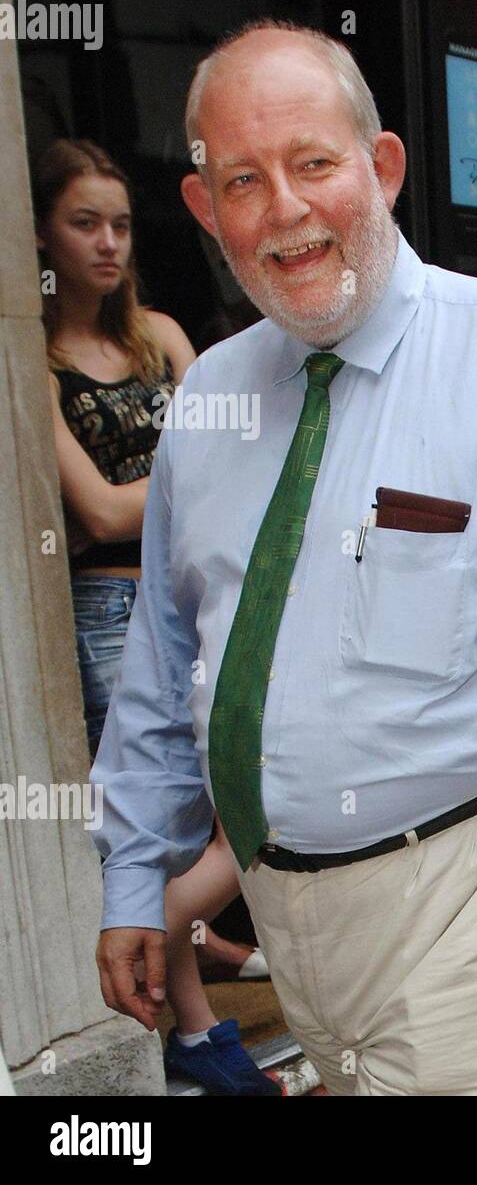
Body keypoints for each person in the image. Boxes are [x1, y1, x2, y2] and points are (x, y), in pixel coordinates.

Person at [91, 19, 477, 1096]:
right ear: (205, 208)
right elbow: (163, 660)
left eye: (313, 163)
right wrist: (137, 872)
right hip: (287, 916)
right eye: (243, 181)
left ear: (381, 168)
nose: (285, 209)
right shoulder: (210, 400)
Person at [33, 139, 277, 1097]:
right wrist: (179, 488)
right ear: (41, 234)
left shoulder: (165, 338)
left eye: (122, 224)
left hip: (199, 593)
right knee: (152, 823)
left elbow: (240, 468)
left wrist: (183, 496)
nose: (108, 243)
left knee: (245, 797)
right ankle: (198, 1023)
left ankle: (197, 944)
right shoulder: (37, 364)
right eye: (83, 223)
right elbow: (97, 511)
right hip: (106, 606)